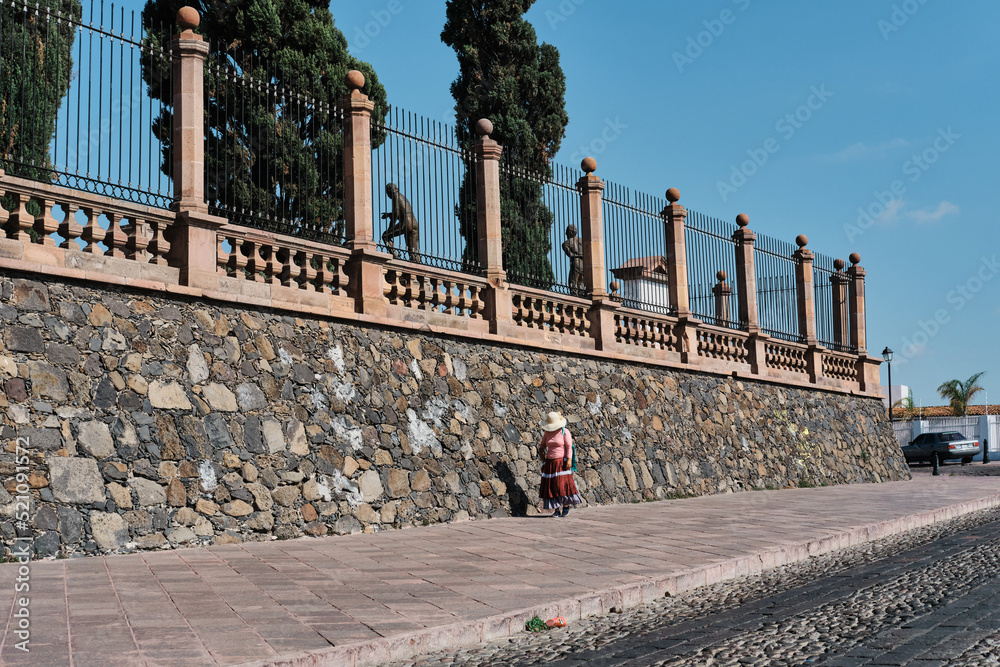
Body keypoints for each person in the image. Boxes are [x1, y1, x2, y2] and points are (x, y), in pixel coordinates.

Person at [537, 411, 581, 517]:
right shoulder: (547, 434)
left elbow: (569, 447)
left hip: (562, 462)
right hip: (551, 463)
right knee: (552, 486)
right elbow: (542, 445)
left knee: (562, 485)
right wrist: (542, 454)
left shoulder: (564, 432)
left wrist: (569, 460)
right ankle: (556, 509)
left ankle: (566, 506)